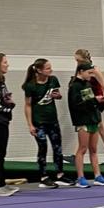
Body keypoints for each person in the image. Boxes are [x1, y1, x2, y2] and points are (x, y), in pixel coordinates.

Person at [22, 59, 74, 188]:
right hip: (38, 122)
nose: (50, 70)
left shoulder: (53, 80)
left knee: (58, 148)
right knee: (43, 148)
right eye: (47, 68)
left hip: (52, 120)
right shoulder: (30, 85)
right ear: (39, 70)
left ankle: (60, 175)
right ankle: (43, 177)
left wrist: (58, 96)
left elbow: (58, 95)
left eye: (50, 67)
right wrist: (30, 125)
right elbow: (28, 105)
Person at [73, 49, 104, 166]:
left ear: (84, 59)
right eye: (75, 60)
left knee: (92, 126)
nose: (76, 62)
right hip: (90, 100)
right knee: (101, 129)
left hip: (97, 101)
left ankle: (76, 154)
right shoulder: (81, 70)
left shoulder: (94, 70)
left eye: (78, 60)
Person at [68, 62, 104, 188]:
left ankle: (97, 175)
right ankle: (80, 177)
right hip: (83, 121)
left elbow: (93, 103)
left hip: (93, 119)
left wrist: (100, 103)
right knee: (82, 148)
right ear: (80, 71)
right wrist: (93, 100)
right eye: (89, 73)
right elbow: (75, 105)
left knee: (94, 149)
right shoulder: (74, 86)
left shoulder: (88, 84)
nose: (91, 75)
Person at [0, 53, 18, 196]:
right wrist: (9, 106)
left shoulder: (1, 80)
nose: (7, 64)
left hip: (3, 120)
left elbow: (3, 99)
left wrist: (9, 102)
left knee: (1, 153)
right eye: (5, 62)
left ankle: (1, 183)